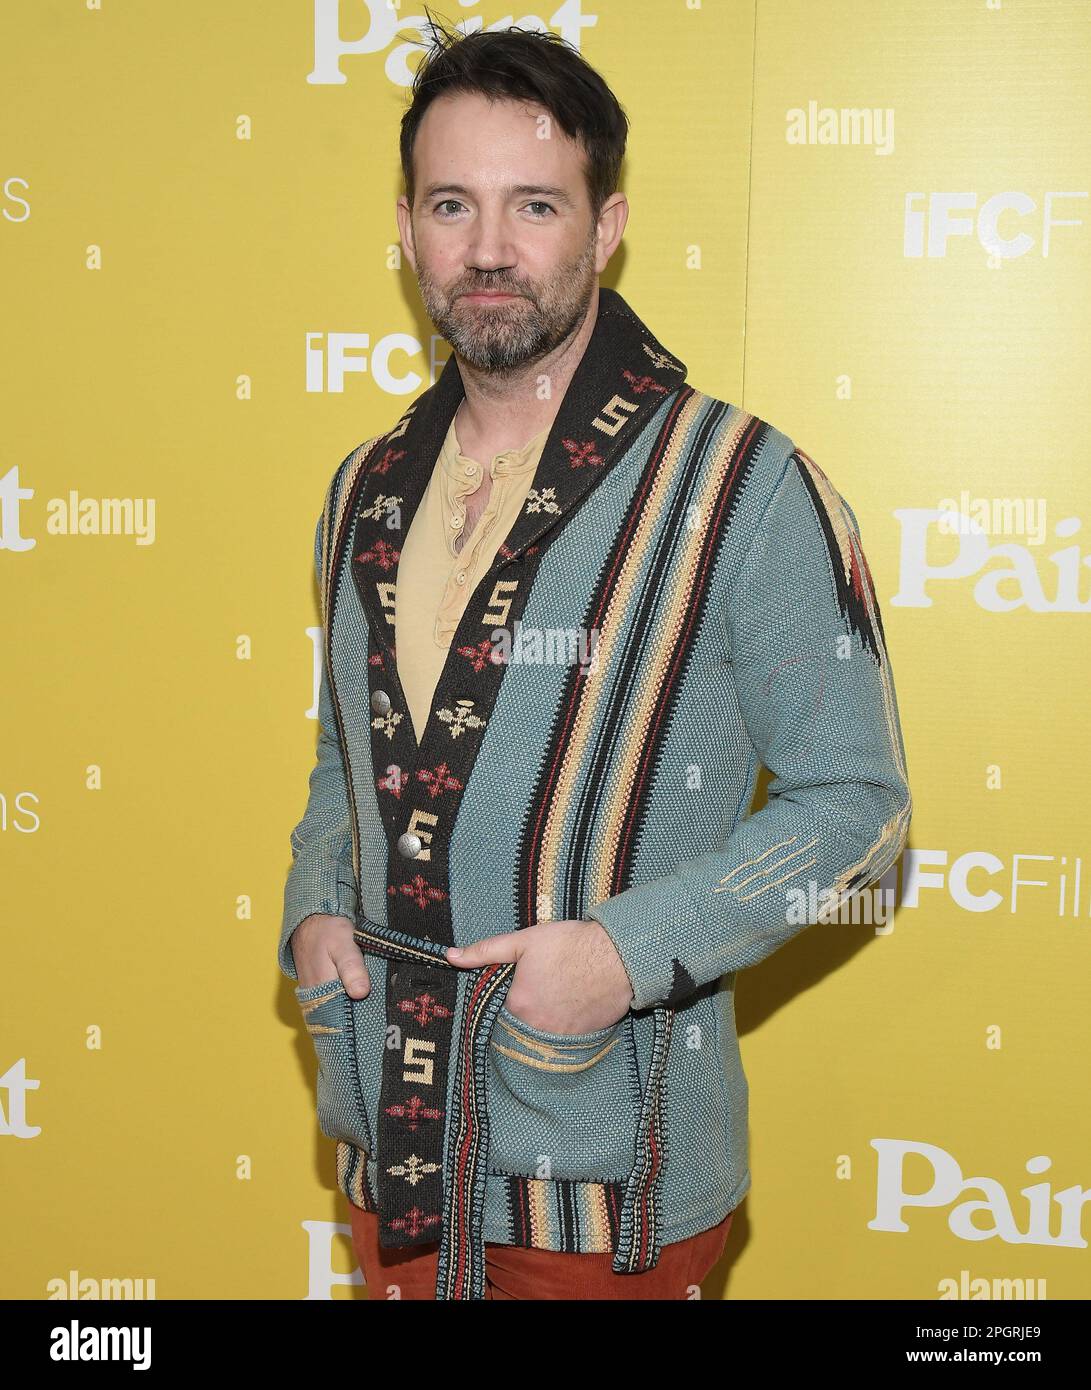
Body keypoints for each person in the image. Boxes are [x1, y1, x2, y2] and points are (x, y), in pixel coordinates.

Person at [279, 15, 912, 1302]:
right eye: (452, 204)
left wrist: (624, 954)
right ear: (404, 228)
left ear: (607, 225)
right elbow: (350, 759)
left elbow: (859, 804)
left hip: (606, 1178)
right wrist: (310, 911)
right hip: (388, 1158)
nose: (490, 249)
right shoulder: (365, 489)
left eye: (536, 206)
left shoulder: (740, 483)